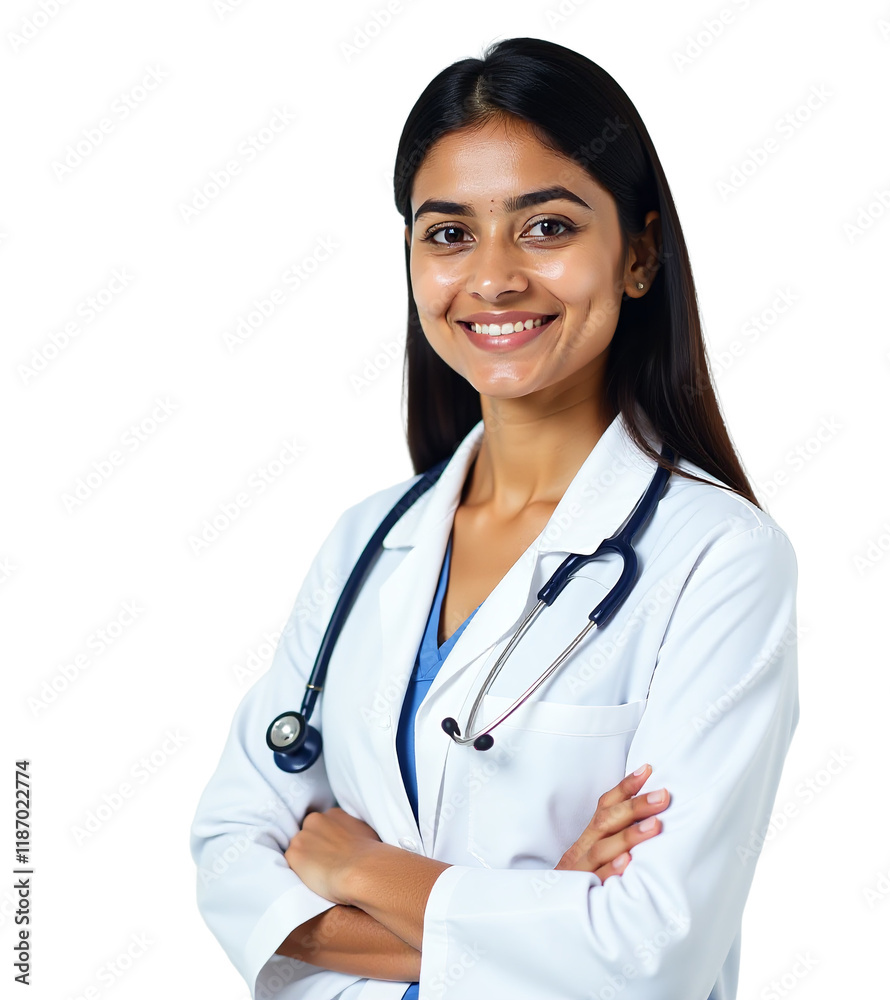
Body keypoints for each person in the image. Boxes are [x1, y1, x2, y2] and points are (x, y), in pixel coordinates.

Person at [190, 36, 800, 1000]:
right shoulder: (366, 543)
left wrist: (359, 872)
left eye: (547, 226)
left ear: (638, 254)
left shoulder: (718, 559)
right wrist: (538, 913)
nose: (495, 277)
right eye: (448, 234)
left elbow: (648, 953)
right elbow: (233, 853)